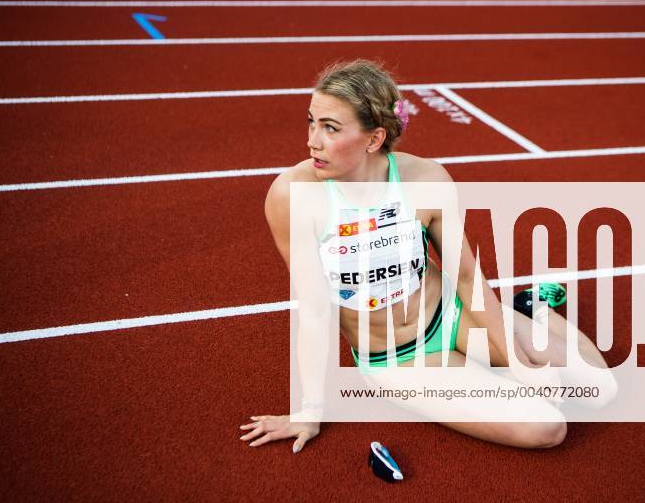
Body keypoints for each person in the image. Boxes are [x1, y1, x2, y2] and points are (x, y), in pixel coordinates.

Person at [239, 59, 617, 454]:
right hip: (398, 357)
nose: (312, 141)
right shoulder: (293, 197)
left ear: (373, 139)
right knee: (547, 428)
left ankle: (536, 308)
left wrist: (521, 363)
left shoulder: (425, 180)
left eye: (330, 128)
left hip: (454, 314)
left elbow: (467, 278)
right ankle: (515, 336)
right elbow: (315, 311)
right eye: (311, 122)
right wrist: (309, 410)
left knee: (599, 390)